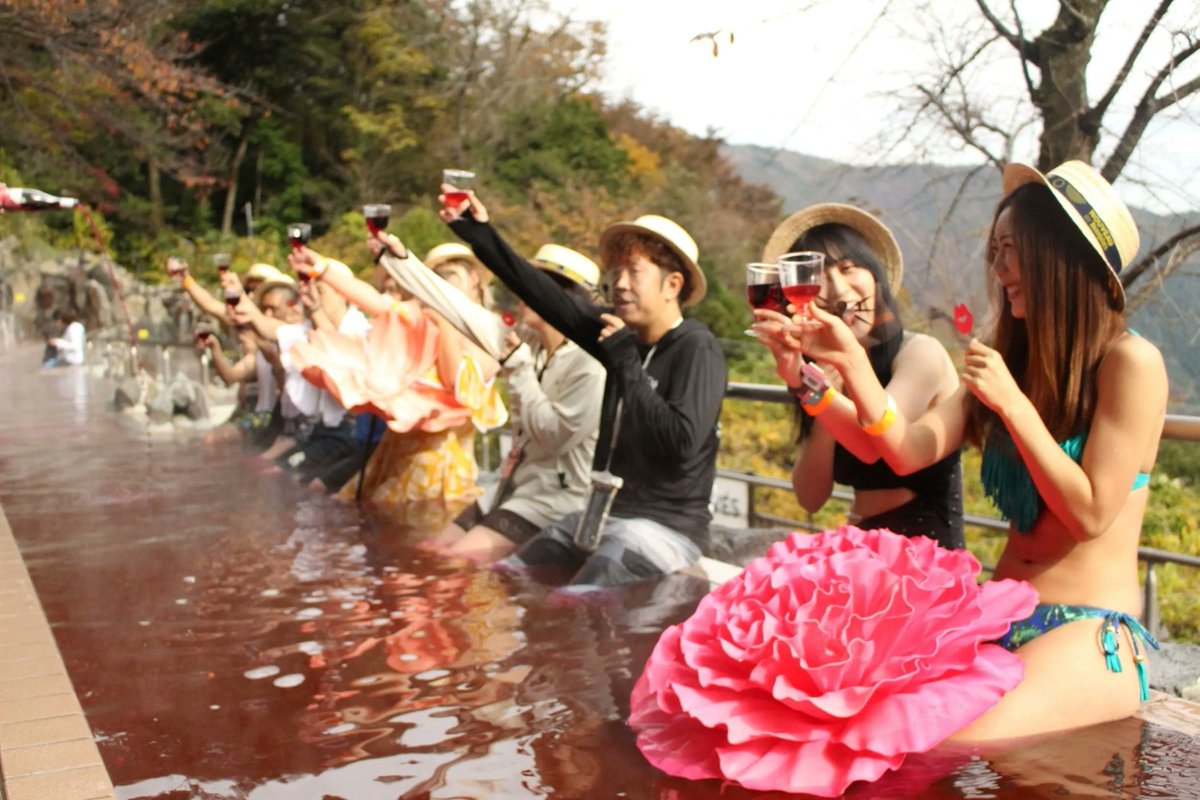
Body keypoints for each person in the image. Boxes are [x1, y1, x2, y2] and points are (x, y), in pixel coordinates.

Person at [782, 160, 1166, 740]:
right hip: (1001, 615)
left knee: (938, 741)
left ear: (1058, 255)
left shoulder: (1131, 363)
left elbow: (1090, 513)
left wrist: (1014, 406)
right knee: (850, 711)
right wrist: (817, 377)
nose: (999, 266)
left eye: (1011, 249)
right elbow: (905, 450)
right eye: (996, 249)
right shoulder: (1009, 359)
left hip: (1092, 633)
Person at [441, 186, 726, 589]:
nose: (620, 284)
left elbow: (680, 443)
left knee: (575, 603)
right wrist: (478, 233)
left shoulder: (696, 347)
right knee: (507, 578)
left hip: (667, 528)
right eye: (616, 273)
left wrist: (625, 359)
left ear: (672, 284)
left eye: (635, 272)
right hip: (602, 516)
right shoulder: (617, 334)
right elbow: (543, 296)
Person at [367, 235, 607, 562]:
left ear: (564, 297)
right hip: (511, 488)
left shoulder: (590, 364)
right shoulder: (526, 340)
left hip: (554, 500)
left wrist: (518, 368)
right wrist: (399, 260)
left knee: (455, 563)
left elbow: (554, 438)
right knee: (426, 553)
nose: (523, 295)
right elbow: (458, 308)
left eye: (535, 287)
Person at [753, 204, 964, 549]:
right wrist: (809, 383)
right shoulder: (820, 373)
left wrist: (819, 393)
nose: (836, 288)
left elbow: (876, 447)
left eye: (848, 268)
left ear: (876, 275)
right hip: (862, 552)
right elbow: (809, 497)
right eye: (818, 275)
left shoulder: (920, 353)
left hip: (927, 556)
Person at [288, 244, 503, 507]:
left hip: (438, 468)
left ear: (473, 279)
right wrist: (322, 268)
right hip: (393, 454)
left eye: (448, 275)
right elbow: (377, 303)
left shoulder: (490, 333)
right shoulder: (422, 321)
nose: (439, 284)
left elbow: (454, 383)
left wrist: (445, 322)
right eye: (432, 277)